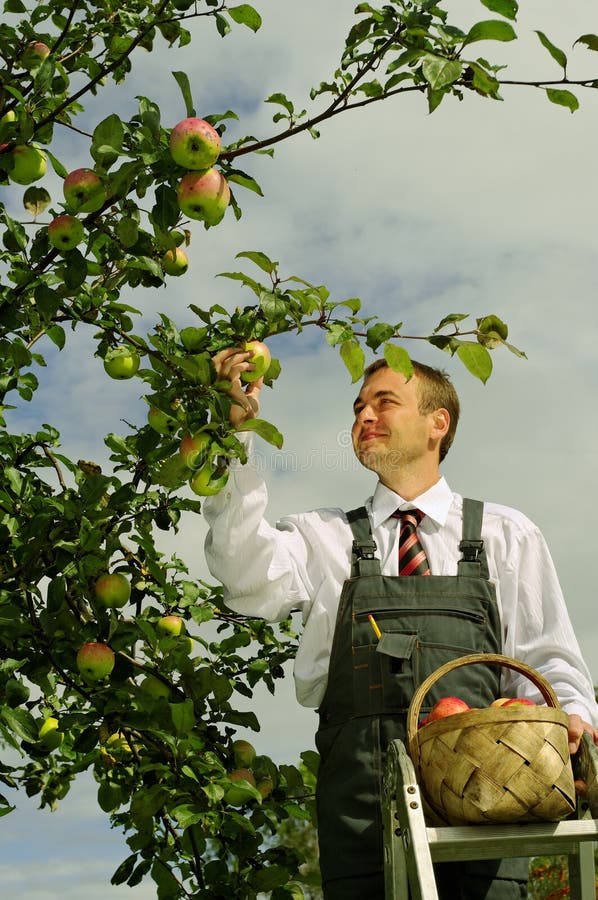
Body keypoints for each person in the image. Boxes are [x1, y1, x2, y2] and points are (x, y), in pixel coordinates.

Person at [203, 348, 598, 900]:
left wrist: (573, 719)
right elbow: (244, 572)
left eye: (384, 403)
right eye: (358, 407)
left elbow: (548, 662)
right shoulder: (327, 539)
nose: (364, 417)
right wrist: (236, 439)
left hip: (490, 801)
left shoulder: (508, 535)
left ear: (440, 423)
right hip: (364, 818)